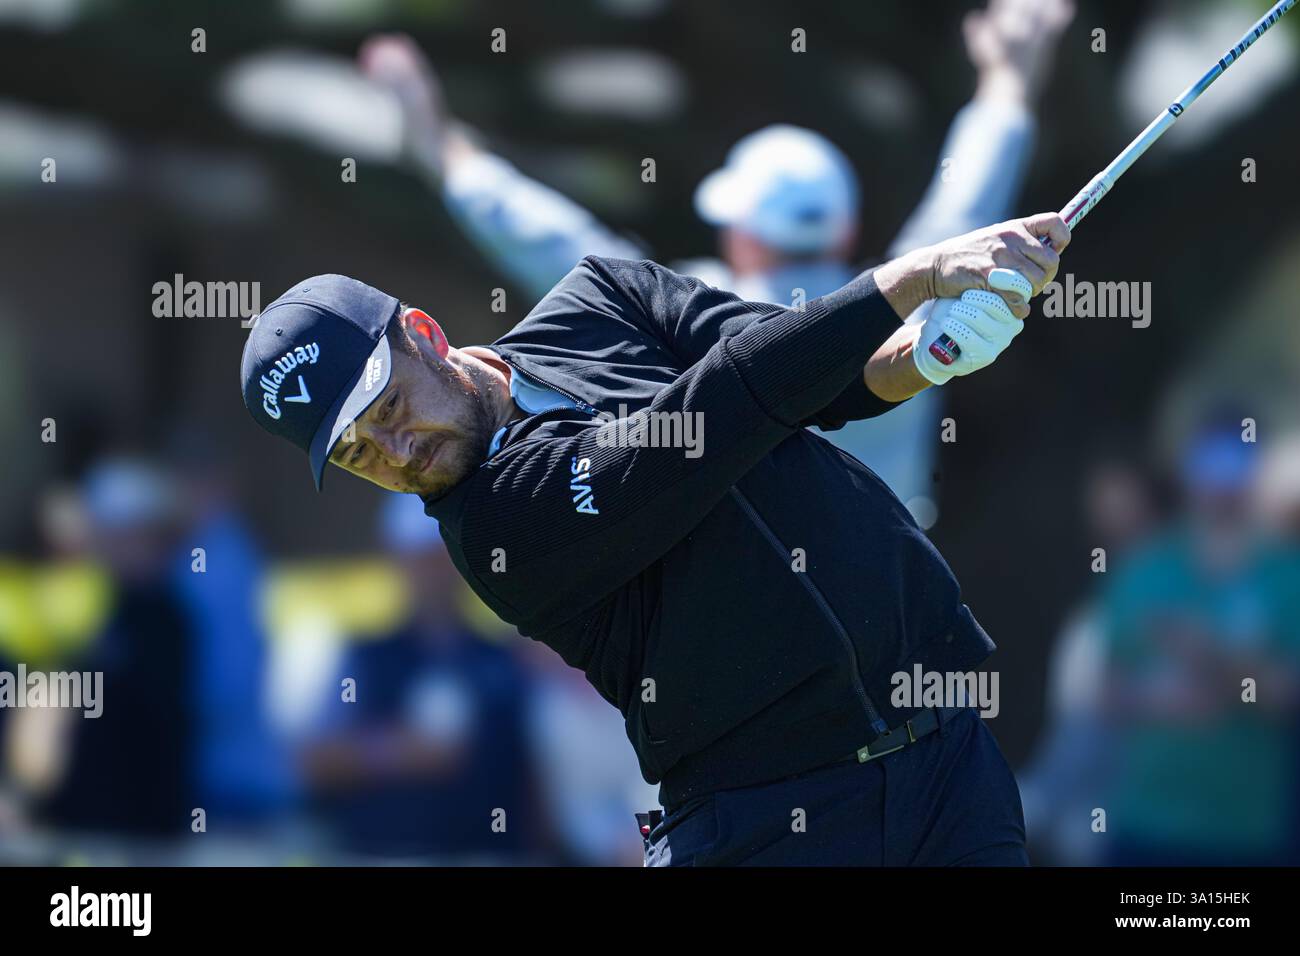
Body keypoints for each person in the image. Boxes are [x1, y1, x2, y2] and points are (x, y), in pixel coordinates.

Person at [239, 210, 1071, 865]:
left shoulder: (601, 296)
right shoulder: (492, 528)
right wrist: (914, 274)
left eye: (386, 408)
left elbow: (818, 372)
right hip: (769, 825)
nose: (395, 452)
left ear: (423, 334)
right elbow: (698, 427)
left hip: (948, 763)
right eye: (357, 454)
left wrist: (931, 352)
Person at [357, 0, 1074, 513]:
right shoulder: (904, 304)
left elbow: (554, 241)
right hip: (897, 594)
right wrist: (1009, 77)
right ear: (845, 229)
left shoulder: (688, 307)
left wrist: (440, 145)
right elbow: (967, 207)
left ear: (742, 232)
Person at [300, 493, 541, 862]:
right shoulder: (362, 657)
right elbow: (314, 763)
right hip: (384, 857)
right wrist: (397, 751)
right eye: (422, 558)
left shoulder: (510, 658)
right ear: (398, 560)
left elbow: (539, 776)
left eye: (445, 556)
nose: (435, 571)